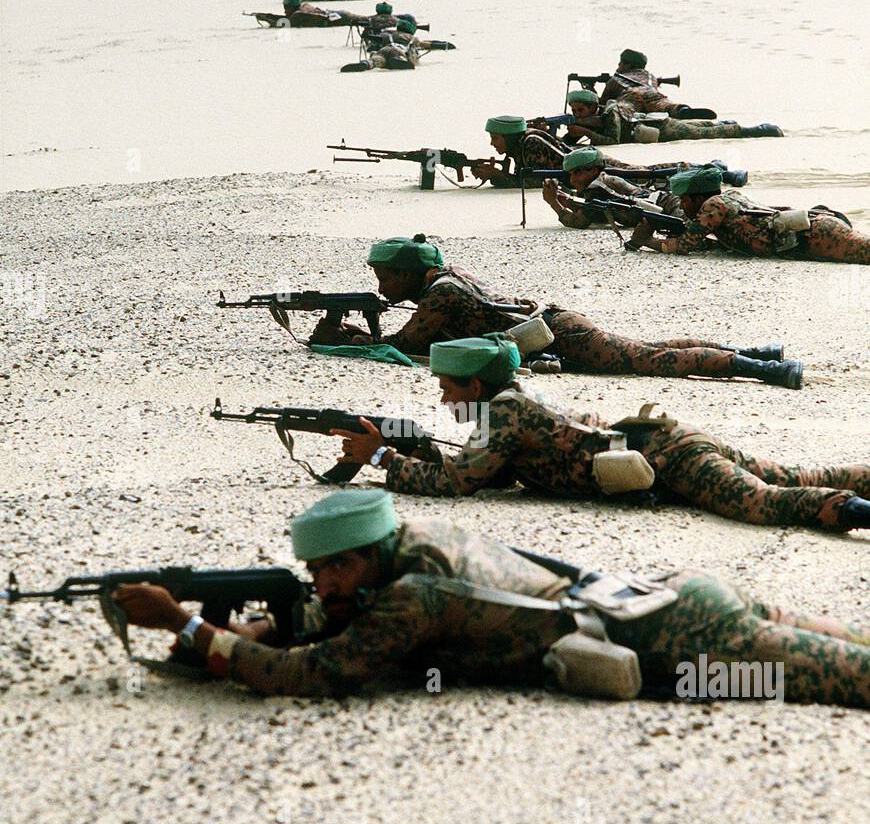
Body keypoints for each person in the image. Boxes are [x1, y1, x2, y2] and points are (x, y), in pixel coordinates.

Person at [113, 488, 870, 704]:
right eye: (317, 573)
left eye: (335, 569)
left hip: (687, 638)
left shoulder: (413, 592)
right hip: (663, 597)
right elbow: (335, 615)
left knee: (854, 680)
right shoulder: (416, 539)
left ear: (371, 554)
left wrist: (188, 628)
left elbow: (313, 677)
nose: (324, 585)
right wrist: (263, 621)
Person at [335, 334, 870, 535]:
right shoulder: (511, 400)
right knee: (792, 475)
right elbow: (482, 467)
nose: (445, 398)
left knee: (763, 503)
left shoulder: (501, 414)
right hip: (661, 443)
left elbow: (459, 483)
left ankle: (855, 512)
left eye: (450, 388)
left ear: (475, 383)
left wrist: (381, 457)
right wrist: (409, 446)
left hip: (667, 458)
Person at [309, 233, 802, 388]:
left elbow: (406, 347)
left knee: (649, 361)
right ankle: (754, 352)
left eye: (385, 276)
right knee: (648, 349)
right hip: (556, 326)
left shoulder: (441, 294)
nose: (380, 284)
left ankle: (760, 368)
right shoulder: (446, 280)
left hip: (558, 336)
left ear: (408, 273)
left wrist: (350, 339)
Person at [629, 165, 870, 264]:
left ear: (697, 198)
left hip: (814, 235)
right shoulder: (729, 197)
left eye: (684, 200)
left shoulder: (714, 205)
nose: (682, 204)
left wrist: (647, 241)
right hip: (814, 228)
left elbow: (685, 245)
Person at [564, 90, 781, 146]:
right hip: (658, 124)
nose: (577, 115)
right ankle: (735, 125)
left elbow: (614, 141)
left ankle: (759, 130)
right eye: (574, 112)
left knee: (708, 132)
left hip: (664, 128)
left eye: (580, 111)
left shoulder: (611, 113)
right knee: (704, 126)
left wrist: (586, 132)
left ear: (593, 107)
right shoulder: (600, 114)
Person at [541, 147, 685, 230]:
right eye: (571, 174)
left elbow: (580, 222)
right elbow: (596, 212)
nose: (573, 179)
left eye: (578, 172)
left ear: (593, 171)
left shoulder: (597, 187)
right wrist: (565, 201)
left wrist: (553, 202)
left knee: (688, 230)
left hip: (665, 203)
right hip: (662, 202)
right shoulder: (600, 182)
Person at [599, 48, 716, 118]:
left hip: (630, 95)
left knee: (622, 111)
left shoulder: (616, 79)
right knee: (666, 106)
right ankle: (682, 111)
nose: (618, 67)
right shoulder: (650, 76)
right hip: (652, 94)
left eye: (620, 64)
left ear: (627, 65)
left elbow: (602, 103)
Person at [469, 116, 568, 186]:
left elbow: (534, 182)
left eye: (495, 138)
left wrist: (497, 175)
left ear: (509, 138)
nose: (492, 143)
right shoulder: (519, 145)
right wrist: (493, 175)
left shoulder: (531, 142)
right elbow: (520, 179)